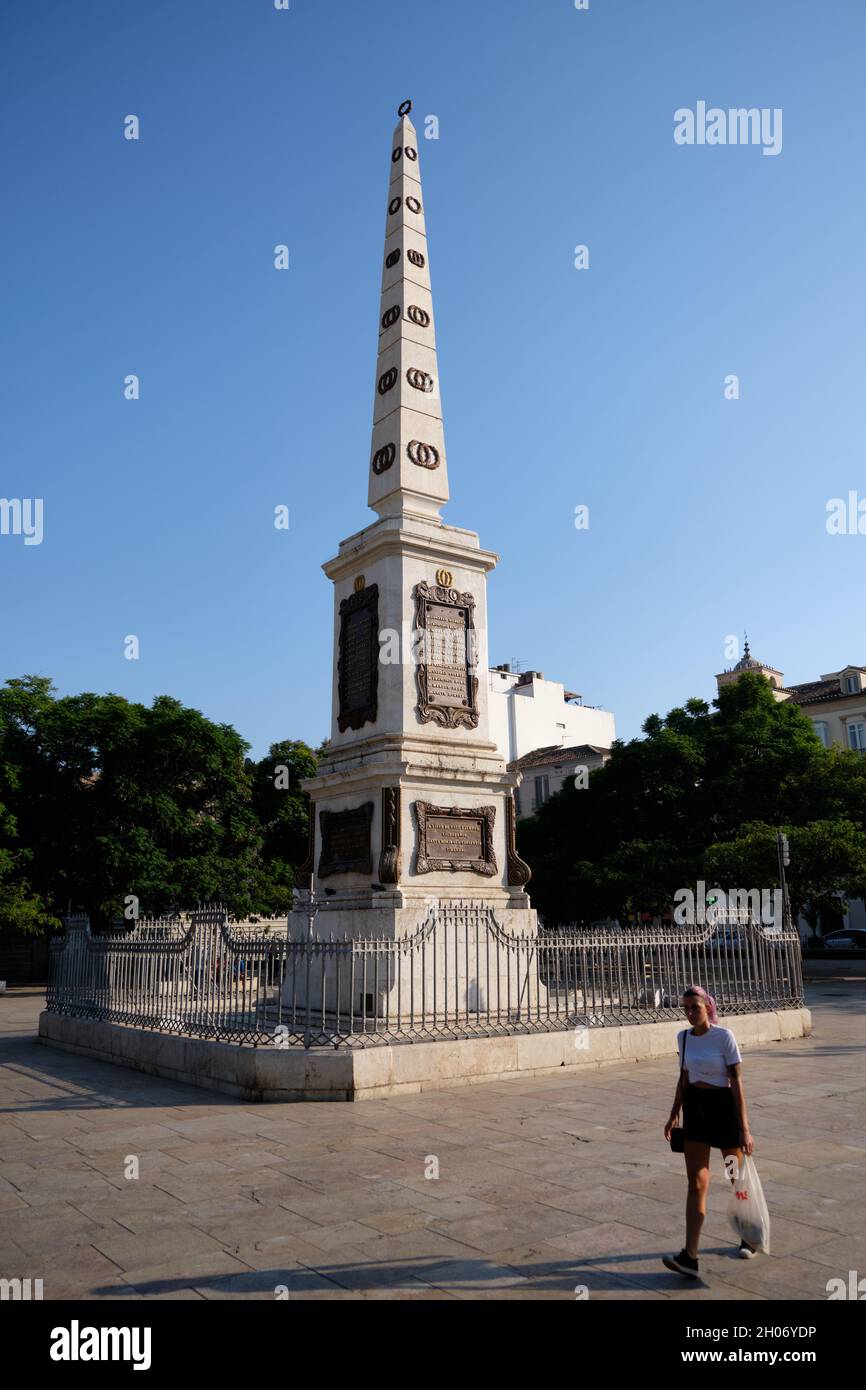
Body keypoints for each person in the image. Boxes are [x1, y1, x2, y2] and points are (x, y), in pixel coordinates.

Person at [662, 984, 756, 1278]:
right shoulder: (684, 1038)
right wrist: (673, 1112)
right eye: (686, 1008)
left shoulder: (723, 1037)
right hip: (696, 1110)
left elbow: (737, 1083)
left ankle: (748, 1233)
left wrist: (745, 1128)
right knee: (696, 1182)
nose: (690, 1013)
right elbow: (684, 1077)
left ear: (708, 1008)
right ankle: (690, 1255)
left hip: (723, 1109)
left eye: (695, 1007)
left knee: (735, 1176)